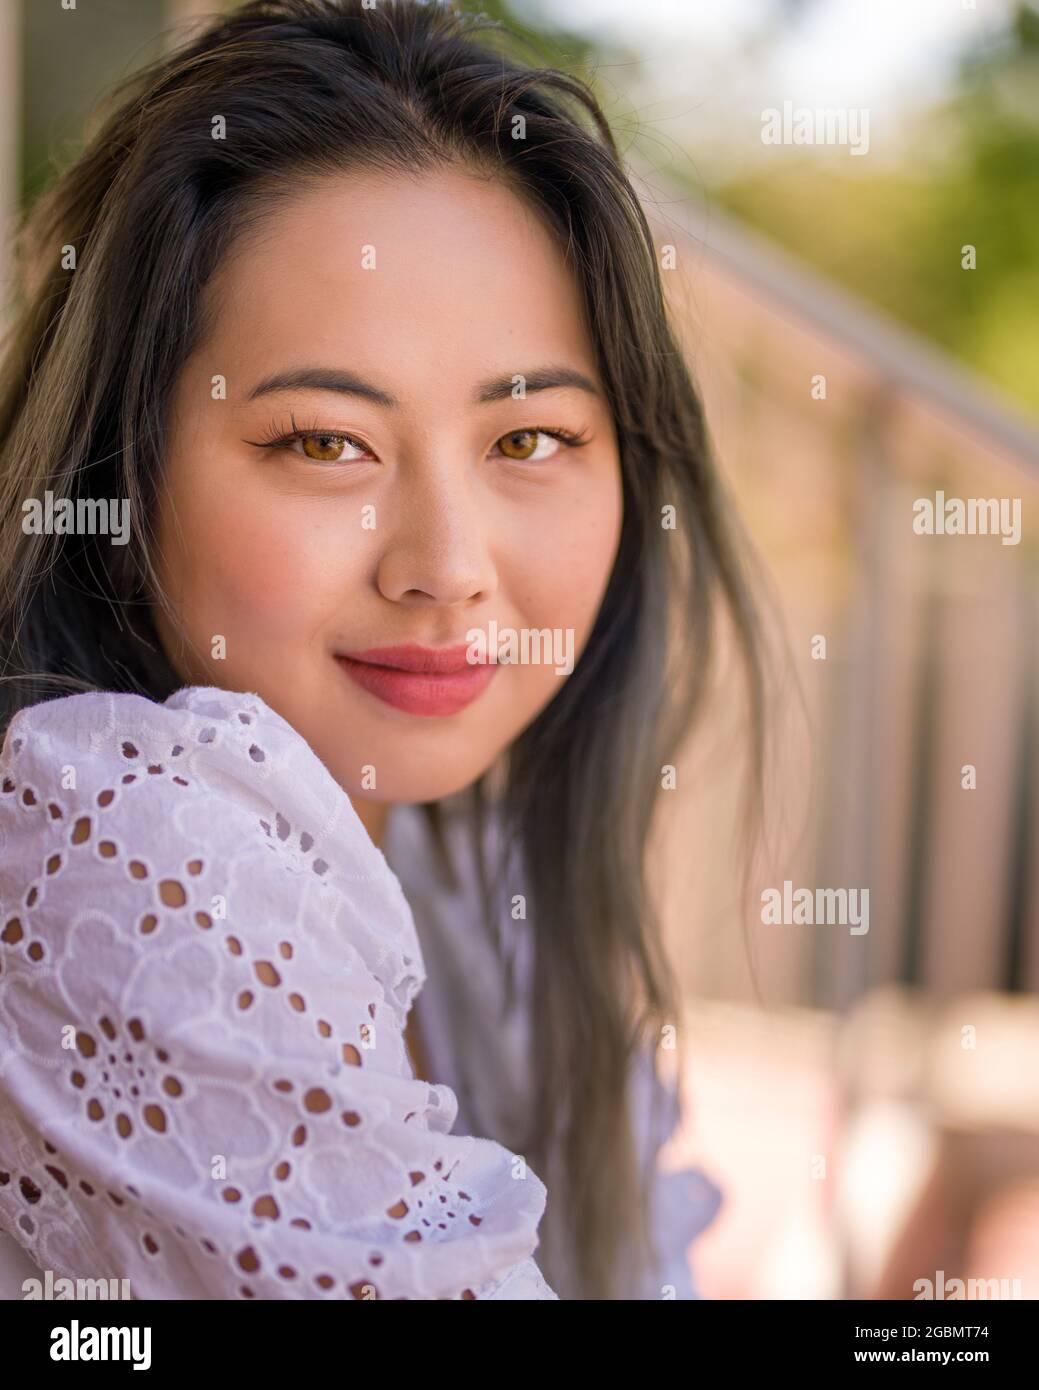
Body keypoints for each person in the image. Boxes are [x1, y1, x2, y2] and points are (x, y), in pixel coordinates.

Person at [0, 0, 763, 1300]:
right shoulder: (123, 840)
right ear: (119, 481)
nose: (448, 565)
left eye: (529, 440)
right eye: (324, 443)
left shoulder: (470, 882)